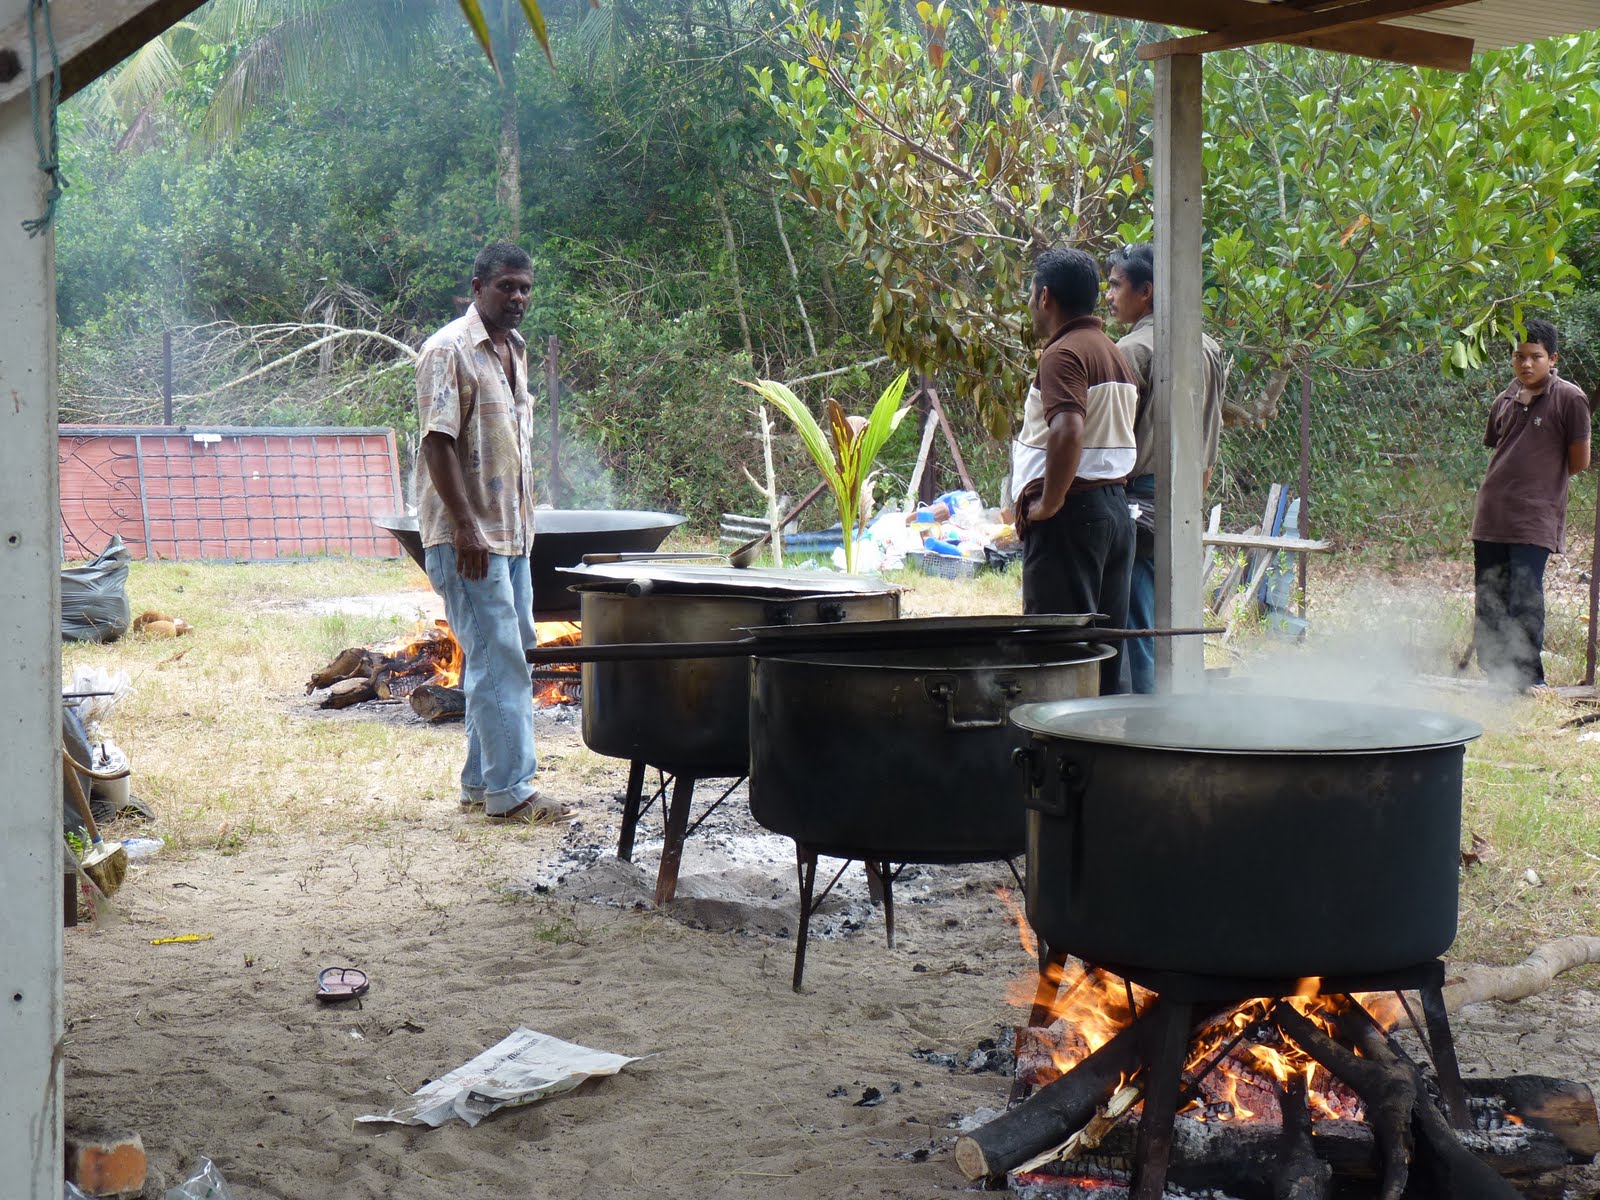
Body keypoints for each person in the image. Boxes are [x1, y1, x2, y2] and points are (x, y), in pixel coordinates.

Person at [415, 240, 570, 823]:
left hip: (510, 533)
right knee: (499, 658)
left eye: (525, 287)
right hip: (469, 538)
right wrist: (465, 529)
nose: (518, 297)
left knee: (503, 655)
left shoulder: (515, 348)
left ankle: (483, 783)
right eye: (506, 286)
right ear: (477, 286)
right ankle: (513, 792)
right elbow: (438, 442)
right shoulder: (447, 349)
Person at [1012, 247, 1139, 697]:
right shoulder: (1112, 352)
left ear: (1045, 296)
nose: (1030, 303)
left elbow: (1068, 430)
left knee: (1057, 653)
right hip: (1113, 512)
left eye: (1030, 293)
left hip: (1073, 517)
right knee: (1104, 650)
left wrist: (1050, 500)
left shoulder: (1062, 354)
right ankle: (1106, 752)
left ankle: (1058, 755)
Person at [1104, 242, 1227, 694]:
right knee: (1174, 615)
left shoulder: (1131, 349)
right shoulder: (1209, 347)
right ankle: (1179, 709)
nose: (1110, 296)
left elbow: (1111, 440)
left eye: (1117, 285)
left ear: (1147, 291)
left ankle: (1147, 718)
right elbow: (1211, 433)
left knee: (1136, 617)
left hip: (1138, 495)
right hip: (1189, 492)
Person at [1469, 318, 1592, 692]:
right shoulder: (1503, 399)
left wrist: (1539, 488)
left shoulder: (1570, 398)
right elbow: (1501, 450)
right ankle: (1496, 675)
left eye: (1535, 357)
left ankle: (1527, 677)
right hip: (1492, 514)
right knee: (1490, 594)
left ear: (1552, 358)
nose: (1526, 364)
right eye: (1518, 356)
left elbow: (1579, 462)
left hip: (1534, 518)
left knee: (1525, 594)